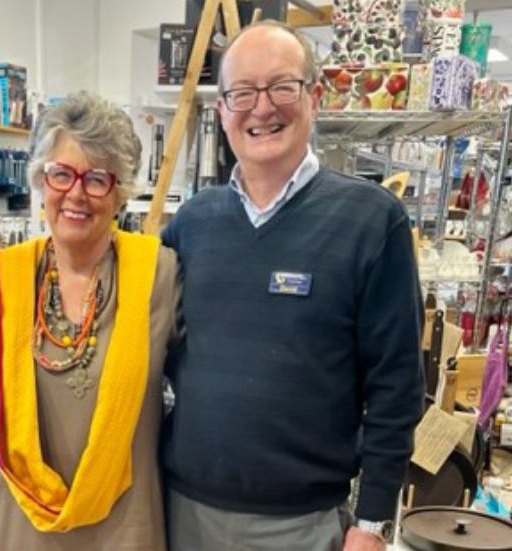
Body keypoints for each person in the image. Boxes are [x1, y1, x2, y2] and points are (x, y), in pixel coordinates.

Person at [161, 20, 424, 551]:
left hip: (303, 526)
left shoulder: (373, 222)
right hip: (182, 514)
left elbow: (396, 389)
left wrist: (372, 524)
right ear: (222, 111)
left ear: (314, 98)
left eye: (282, 86)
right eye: (242, 92)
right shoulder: (190, 224)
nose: (262, 108)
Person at [0, 91, 178, 550]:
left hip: (123, 531)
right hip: (16, 529)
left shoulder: (158, 276)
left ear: (121, 190)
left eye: (97, 179)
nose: (76, 194)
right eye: (61, 174)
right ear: (41, 181)